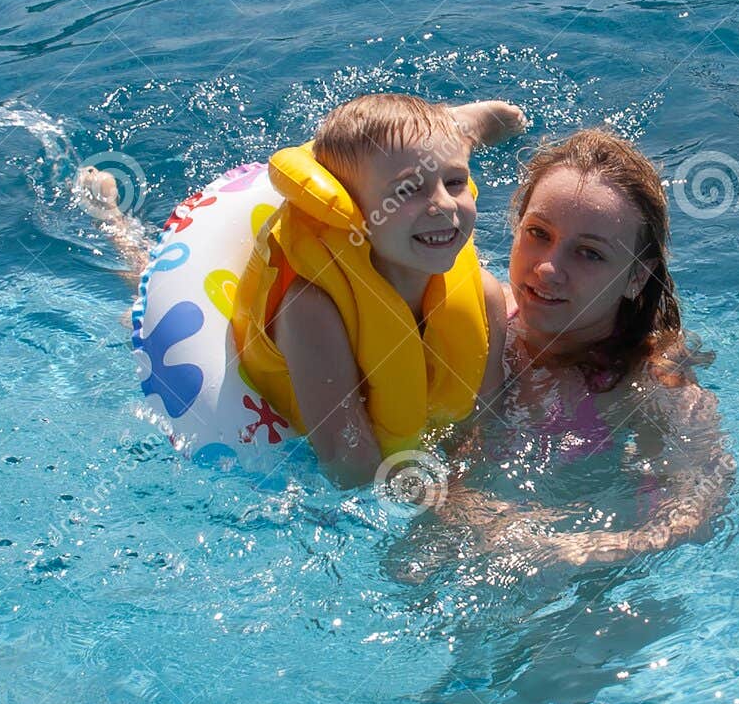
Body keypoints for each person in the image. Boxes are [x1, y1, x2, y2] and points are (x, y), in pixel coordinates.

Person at [81, 94, 527, 487]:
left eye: (455, 182)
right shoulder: (313, 311)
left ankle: (460, 129)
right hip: (232, 333)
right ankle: (112, 220)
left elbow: (484, 417)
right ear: (350, 210)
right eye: (408, 189)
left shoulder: (482, 293)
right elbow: (347, 460)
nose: (444, 204)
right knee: (141, 286)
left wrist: (472, 482)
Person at [400, 128, 732, 575]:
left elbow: (698, 511)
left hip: (584, 572)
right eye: (538, 233)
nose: (548, 268)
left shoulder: (652, 385)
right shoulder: (472, 320)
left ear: (637, 277)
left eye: (589, 254)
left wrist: (573, 550)